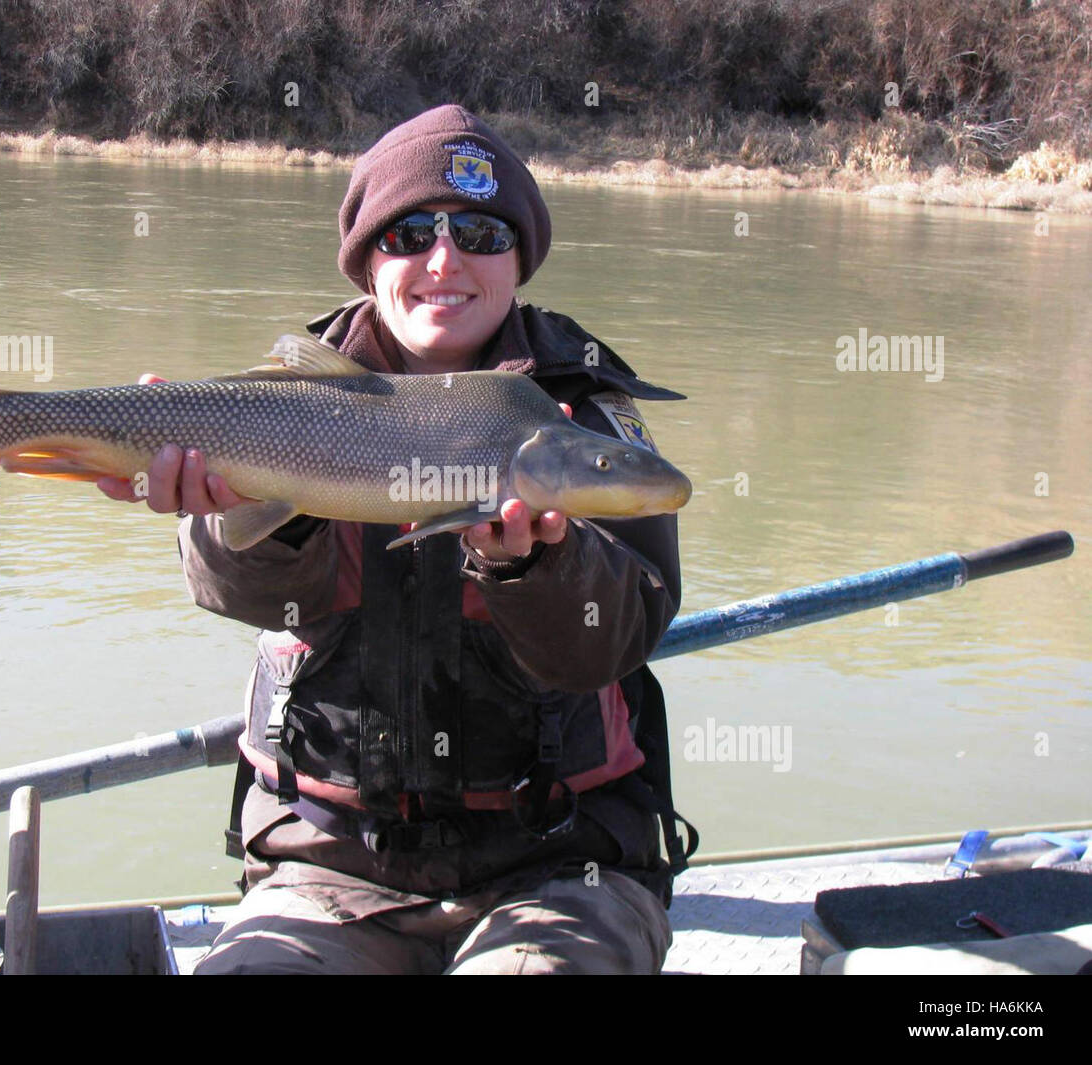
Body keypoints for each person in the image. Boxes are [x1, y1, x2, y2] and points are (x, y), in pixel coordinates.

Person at [100, 105, 695, 974]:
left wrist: (531, 563)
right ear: (369, 258)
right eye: (411, 232)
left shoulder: (585, 417)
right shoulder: (283, 398)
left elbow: (620, 637)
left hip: (562, 867)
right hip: (327, 869)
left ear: (520, 257)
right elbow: (241, 596)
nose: (444, 259)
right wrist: (240, 514)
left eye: (482, 232)